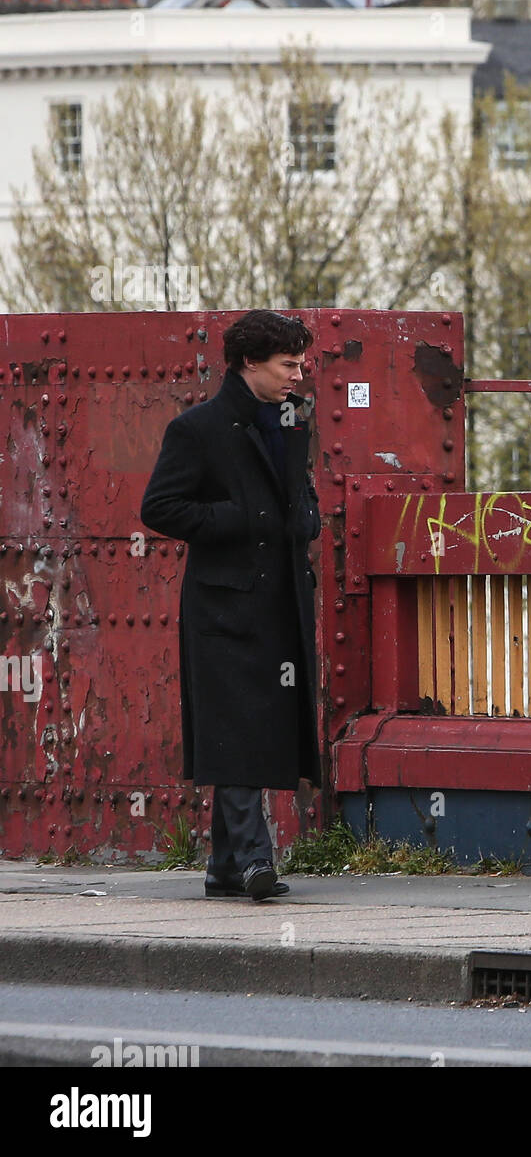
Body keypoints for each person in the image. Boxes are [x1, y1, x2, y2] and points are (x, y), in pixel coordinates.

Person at [141, 310, 321, 901]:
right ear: (250, 362)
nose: (299, 374)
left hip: (280, 600)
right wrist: (236, 519)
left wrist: (307, 516)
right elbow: (160, 507)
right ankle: (254, 859)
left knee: (257, 727)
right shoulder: (199, 428)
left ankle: (223, 865)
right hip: (223, 608)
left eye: (301, 362)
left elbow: (299, 491)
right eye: (288, 364)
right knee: (235, 727)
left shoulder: (294, 420)